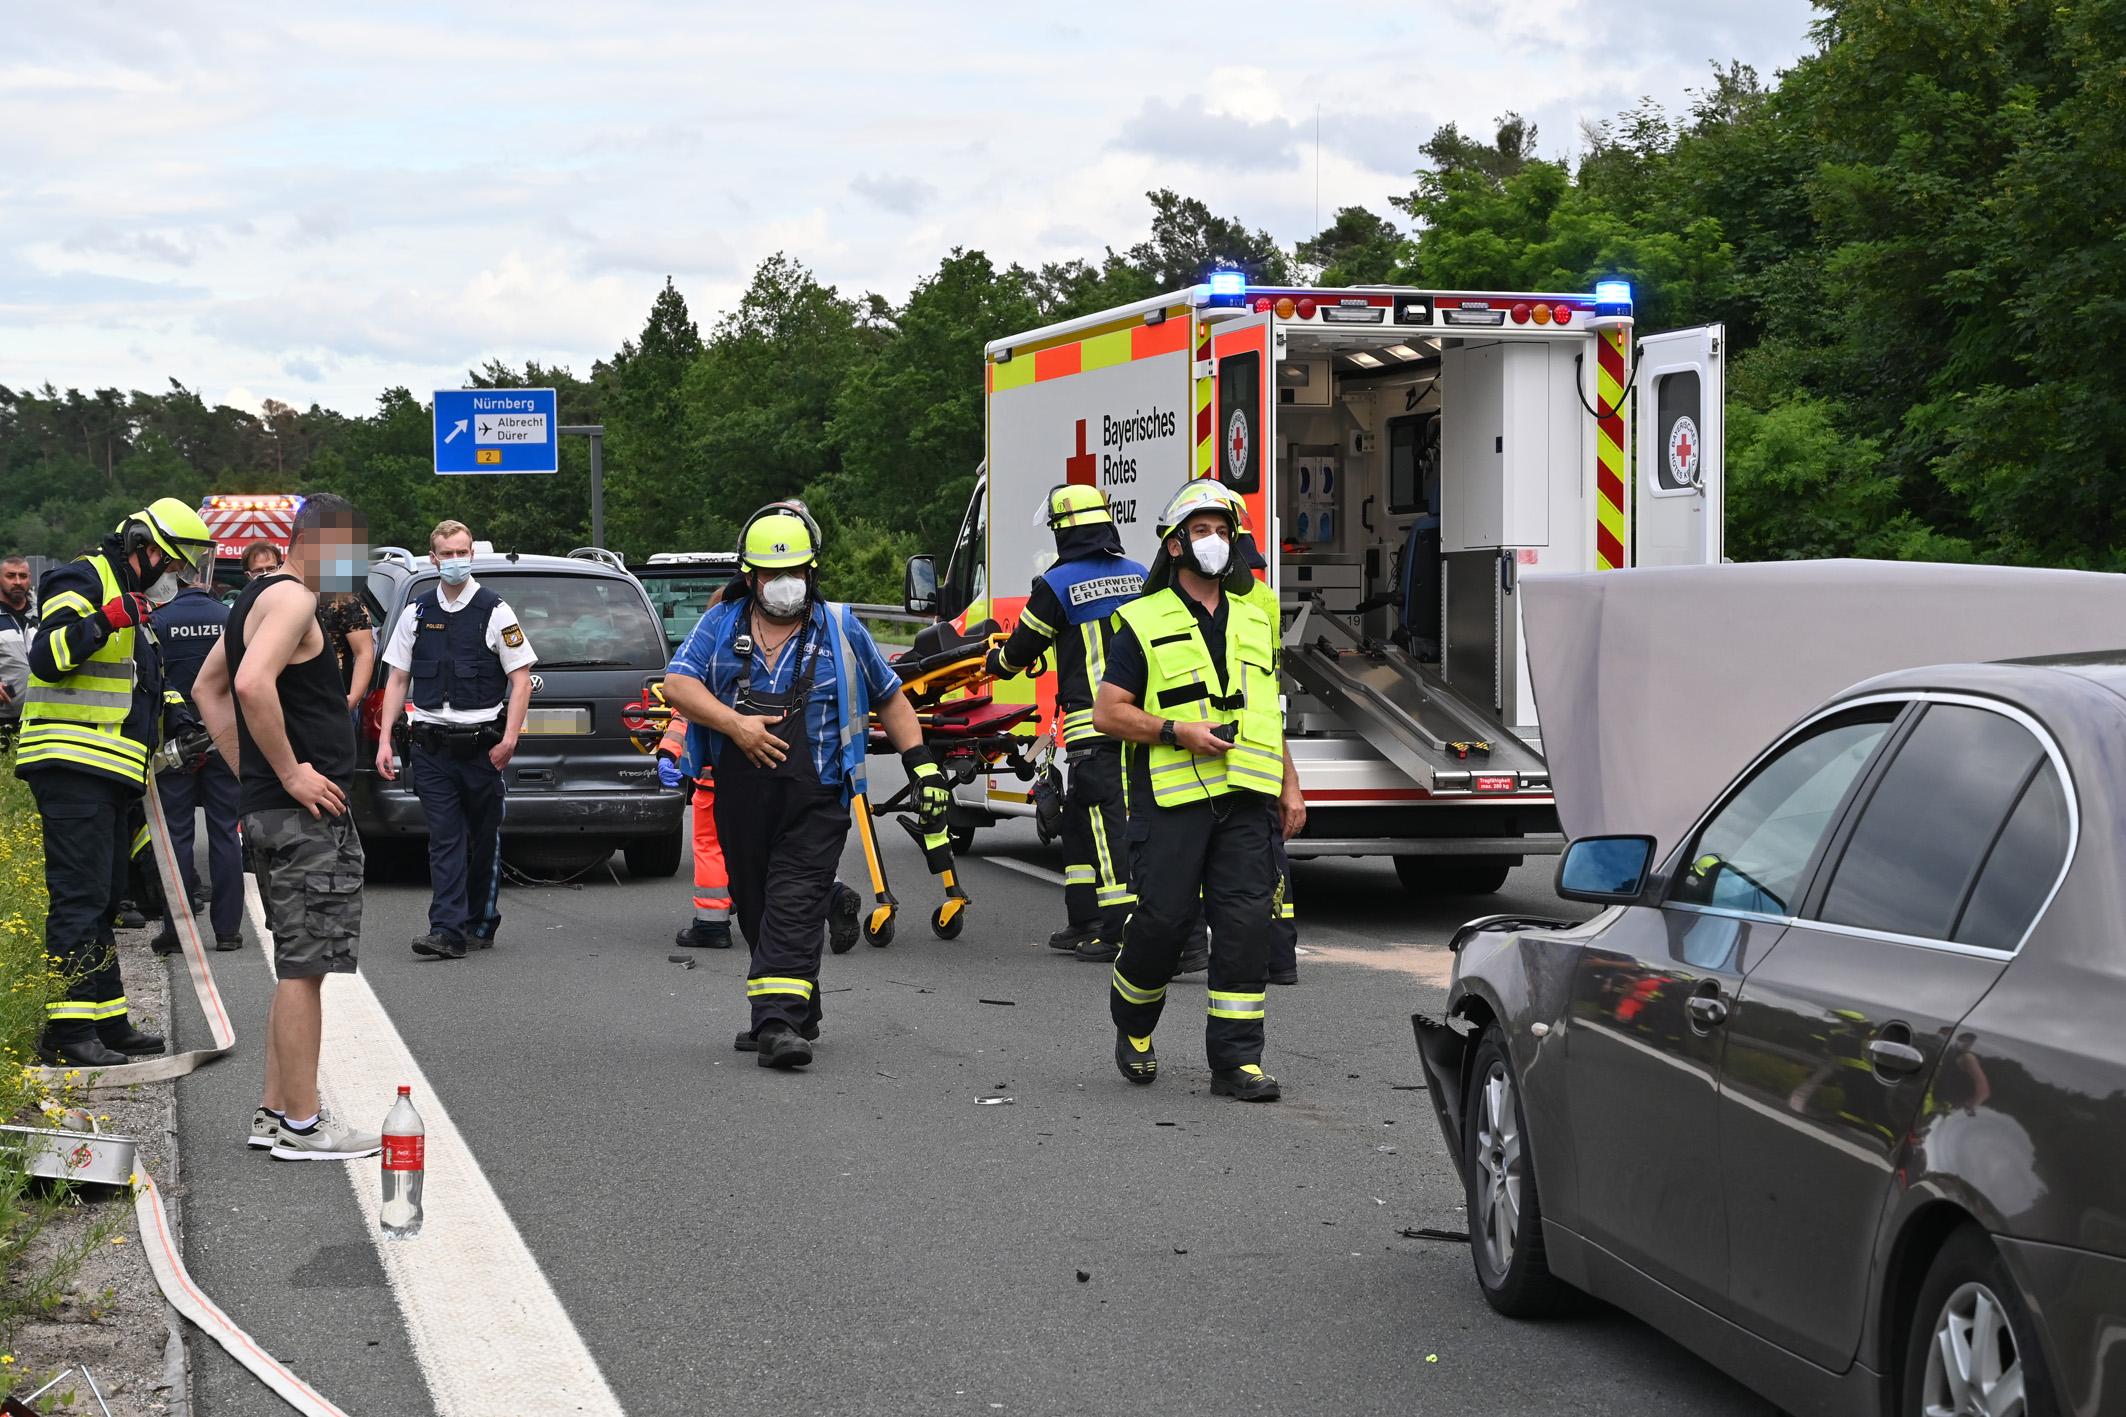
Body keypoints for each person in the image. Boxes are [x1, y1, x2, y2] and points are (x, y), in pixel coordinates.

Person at [662, 504, 942, 1070]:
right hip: (741, 794)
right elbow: (678, 684)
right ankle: (800, 1009)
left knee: (795, 899)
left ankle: (776, 1025)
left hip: (817, 795)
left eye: (794, 572)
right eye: (771, 574)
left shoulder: (840, 627)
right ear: (750, 577)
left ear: (812, 572)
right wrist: (735, 724)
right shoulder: (721, 625)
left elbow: (890, 696)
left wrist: (922, 764)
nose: (783, 584)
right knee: (756, 906)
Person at [1091, 480, 1306, 1102]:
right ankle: (1134, 1022)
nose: (1215, 540)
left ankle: (1237, 1063)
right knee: (1164, 922)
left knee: (1245, 926)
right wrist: (1176, 731)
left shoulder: (1255, 616)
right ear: (1175, 545)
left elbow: (1266, 711)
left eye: (1223, 531)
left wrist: (1290, 785)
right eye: (1202, 530)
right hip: (1172, 800)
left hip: (1247, 796)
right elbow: (1108, 712)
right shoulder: (1141, 619)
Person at [191, 492, 379, 1160]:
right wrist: (291, 772)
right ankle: (304, 1124)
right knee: (306, 968)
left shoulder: (254, 597)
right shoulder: (295, 599)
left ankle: (274, 1112)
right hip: (304, 815)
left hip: (272, 811)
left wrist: (252, 773)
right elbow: (248, 684)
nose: (354, 566)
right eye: (349, 550)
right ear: (317, 541)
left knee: (296, 964)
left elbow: (207, 688)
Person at [15, 498, 215, 1066]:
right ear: (142, 548)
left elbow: (146, 683)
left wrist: (181, 720)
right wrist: (107, 619)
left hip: (113, 773)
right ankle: (67, 1032)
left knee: (104, 900)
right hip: (71, 766)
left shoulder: (137, 606)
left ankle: (106, 1022)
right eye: (171, 564)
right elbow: (47, 656)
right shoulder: (81, 579)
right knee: (79, 899)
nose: (174, 577)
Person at [982, 484, 1146, 963]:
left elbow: (1019, 651)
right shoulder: (1140, 575)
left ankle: (1118, 931)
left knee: (1107, 827)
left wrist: (995, 662)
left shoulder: (1056, 585)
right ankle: (1083, 917)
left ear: (1063, 531)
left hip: (1094, 727)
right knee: (1079, 822)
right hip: (1139, 724)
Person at [372, 520, 535, 960]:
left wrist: (510, 739)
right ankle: (446, 930)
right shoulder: (417, 612)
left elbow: (521, 680)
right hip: (431, 747)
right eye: (447, 554)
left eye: (462, 552)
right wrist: (384, 740)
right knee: (445, 839)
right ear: (434, 559)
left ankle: (480, 920)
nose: (456, 560)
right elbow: (397, 678)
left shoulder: (495, 610)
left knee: (482, 840)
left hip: (483, 748)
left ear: (472, 555)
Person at [148, 563, 245, 952]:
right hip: (224, 733)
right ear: (206, 581)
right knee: (226, 832)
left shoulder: (159, 620)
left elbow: (152, 680)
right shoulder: (231, 618)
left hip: (174, 738)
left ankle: (177, 932)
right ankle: (228, 931)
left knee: (176, 835)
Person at [656, 705, 733, 949]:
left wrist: (666, 755)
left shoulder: (706, 682)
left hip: (713, 783)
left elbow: (684, 717)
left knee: (710, 848)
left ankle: (712, 925)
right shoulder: (776, 682)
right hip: (765, 783)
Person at [317, 590, 375, 713]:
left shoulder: (343, 597)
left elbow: (364, 653)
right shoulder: (287, 593)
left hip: (334, 699)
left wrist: (354, 698)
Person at [0, 554, 36, 742]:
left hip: (40, 717)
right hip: (4, 719)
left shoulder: (43, 614)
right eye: (10, 576)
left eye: (23, 576)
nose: (17, 582)